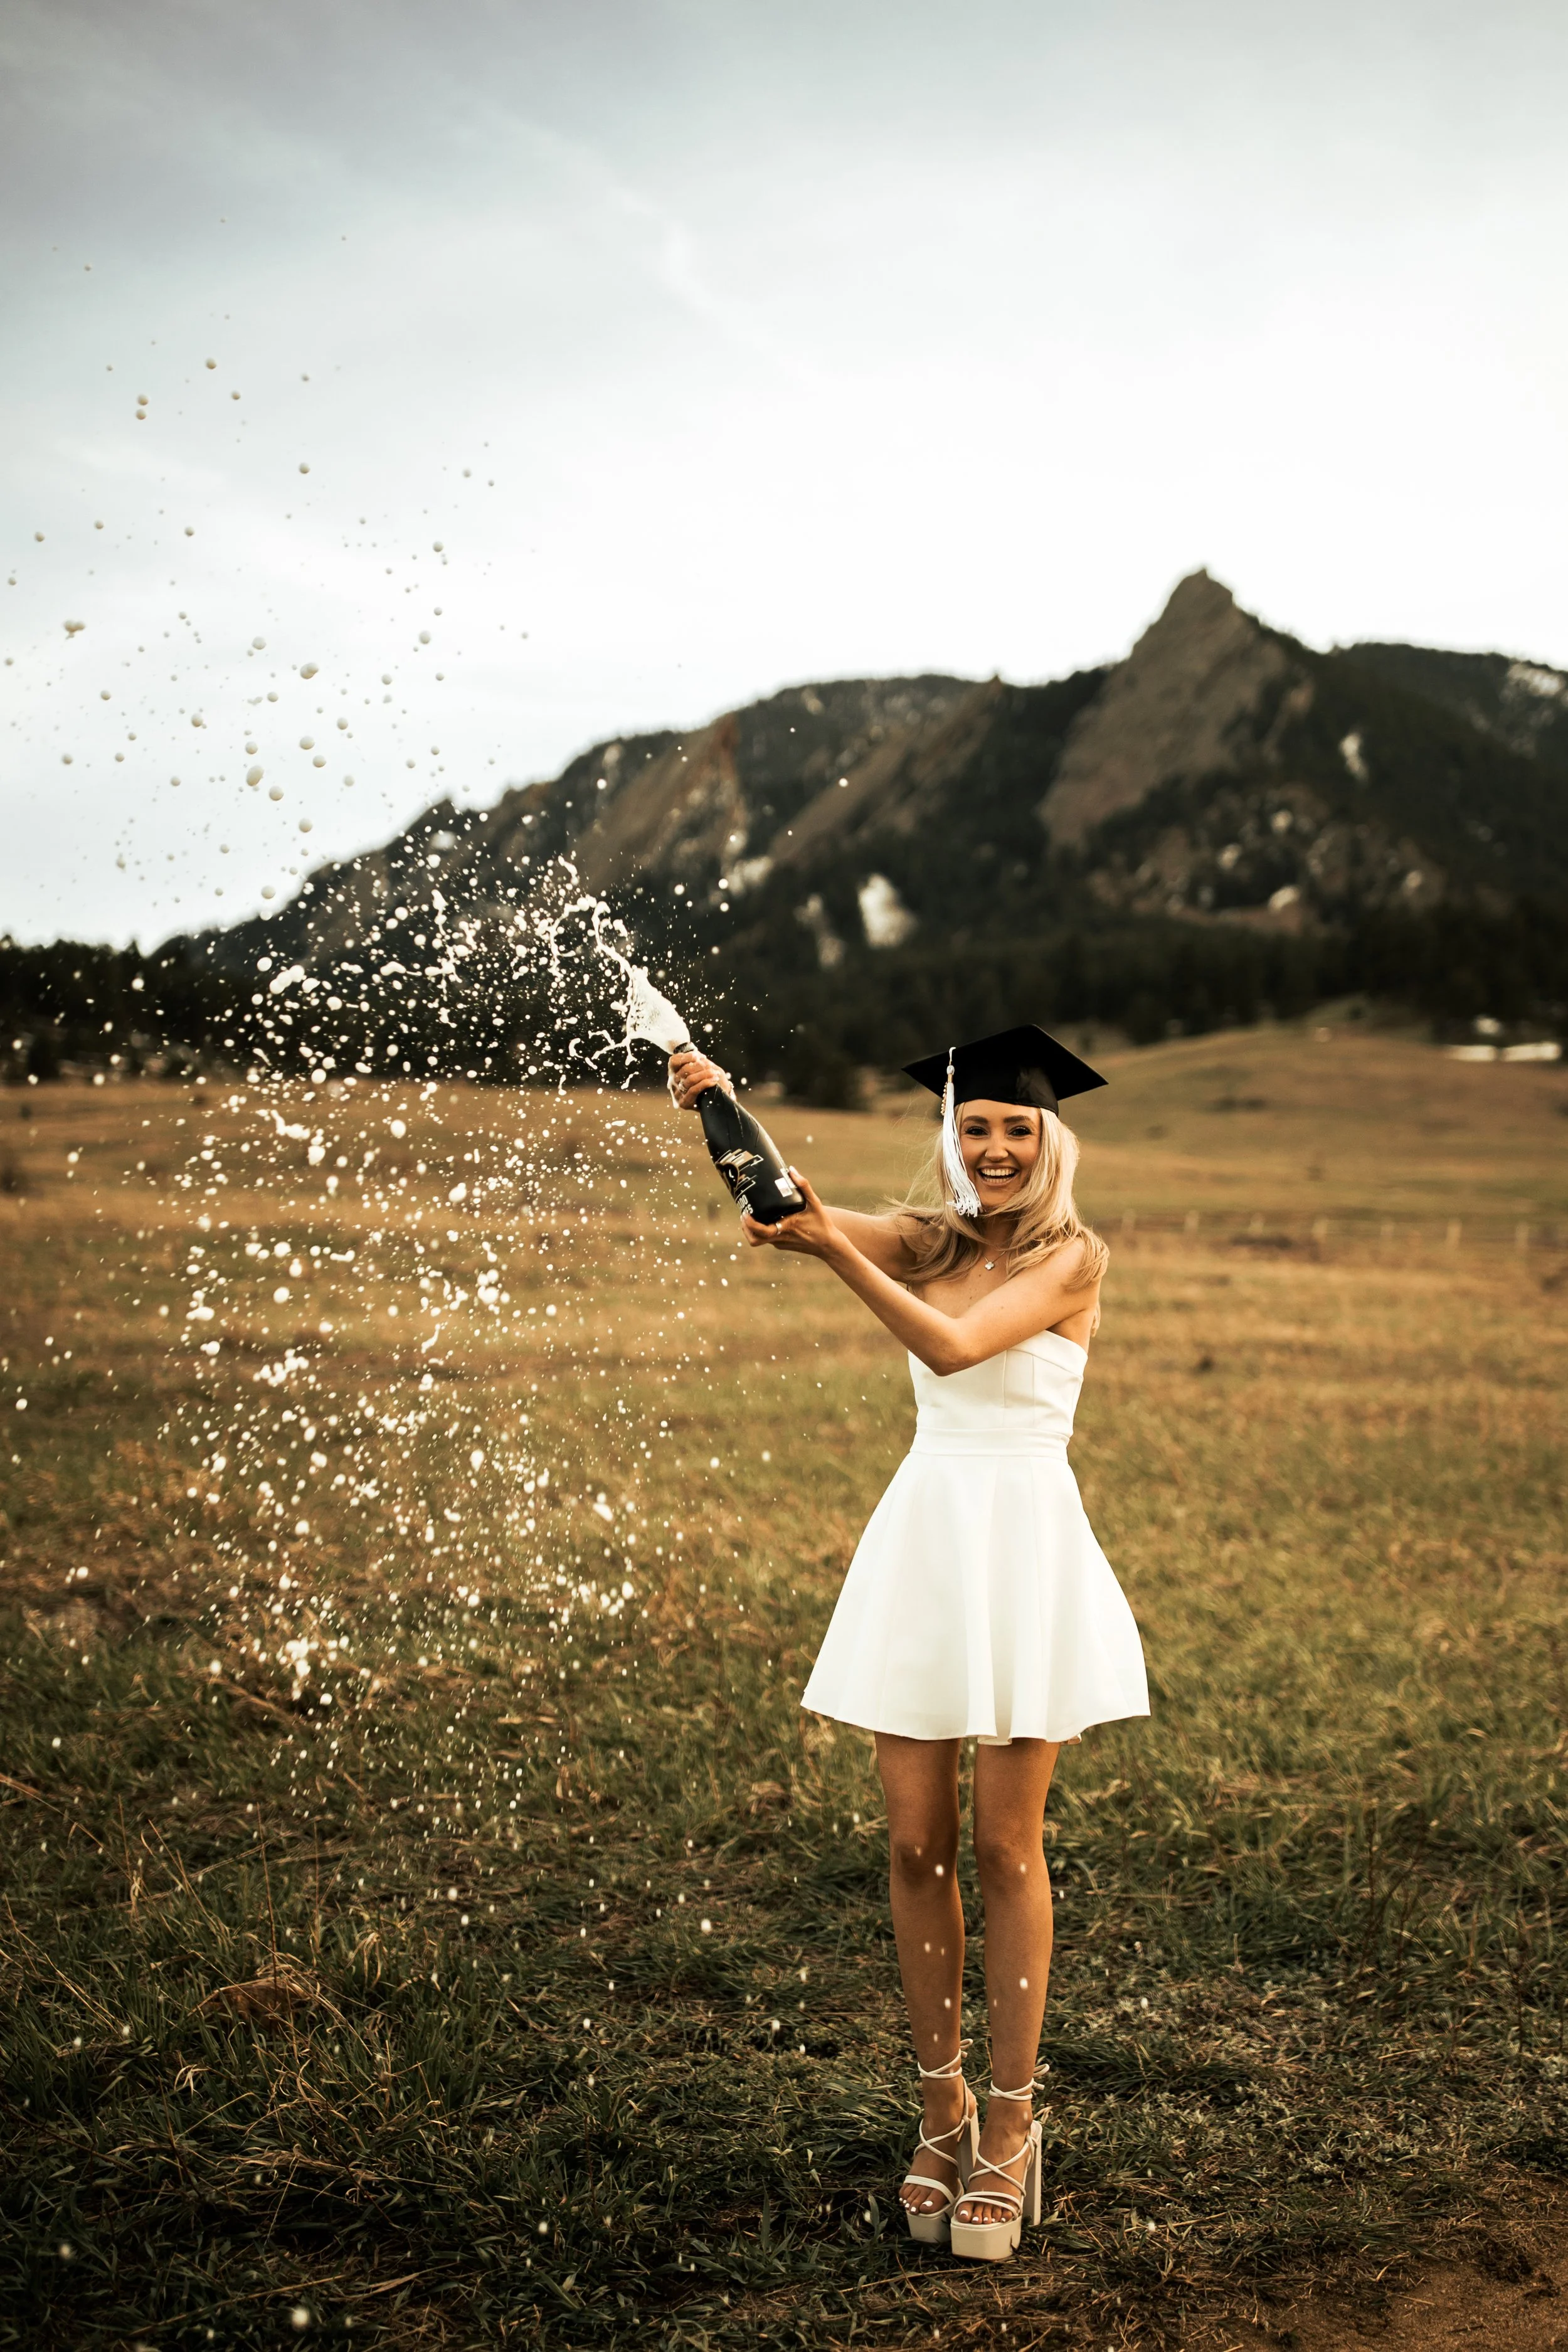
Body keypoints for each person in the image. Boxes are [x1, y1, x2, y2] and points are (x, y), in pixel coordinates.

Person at [669, 1024, 1149, 2264]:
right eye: (974, 1126)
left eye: (1015, 1129)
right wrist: (717, 1104)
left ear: (1050, 1142)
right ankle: (936, 2111)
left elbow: (945, 1344)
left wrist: (830, 1246)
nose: (992, 1148)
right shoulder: (927, 1240)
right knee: (912, 1840)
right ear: (952, 1136)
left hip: (1024, 1542)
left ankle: (1009, 2124)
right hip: (925, 1538)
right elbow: (788, 1200)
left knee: (1002, 1844)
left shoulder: (1073, 1258)